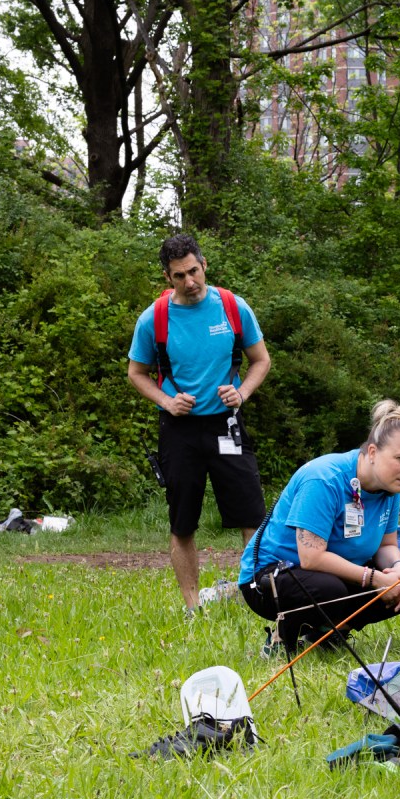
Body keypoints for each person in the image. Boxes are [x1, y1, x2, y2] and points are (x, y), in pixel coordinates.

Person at [126, 232, 272, 617]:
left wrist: (242, 393)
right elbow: (136, 372)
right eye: (179, 275)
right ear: (167, 277)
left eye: (194, 271)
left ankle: (258, 599)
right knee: (182, 522)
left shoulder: (233, 307)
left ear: (204, 265)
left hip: (228, 424)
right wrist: (166, 401)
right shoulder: (154, 318)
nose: (189, 282)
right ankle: (193, 610)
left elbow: (261, 360)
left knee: (251, 516)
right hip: (180, 430)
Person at [239, 400, 400, 654]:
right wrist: (376, 579)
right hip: (272, 578)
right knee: (331, 590)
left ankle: (330, 631)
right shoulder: (324, 478)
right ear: (373, 452)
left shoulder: (391, 486)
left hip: (340, 573)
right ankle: (282, 638)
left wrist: (398, 571)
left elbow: (386, 545)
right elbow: (311, 558)